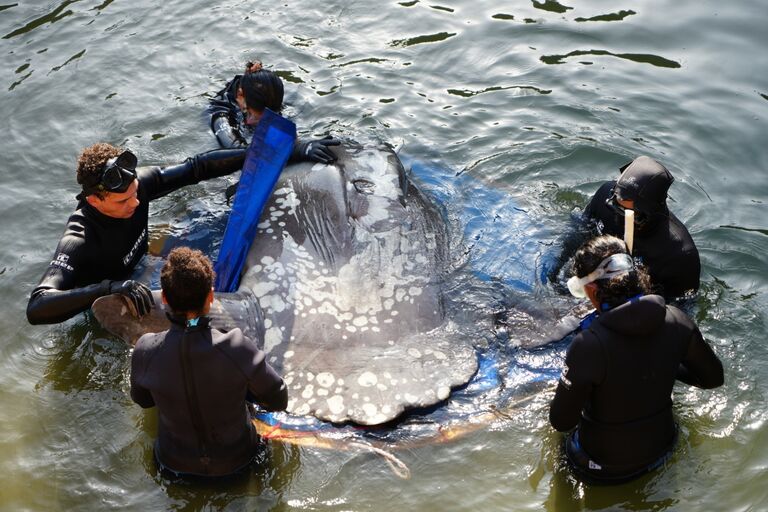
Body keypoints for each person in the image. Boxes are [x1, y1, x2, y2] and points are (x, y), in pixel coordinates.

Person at [549, 235, 723, 484]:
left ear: (592, 289)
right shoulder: (677, 320)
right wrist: (665, 362)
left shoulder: (587, 345)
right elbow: (712, 379)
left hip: (601, 468)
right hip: (664, 449)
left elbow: (561, 421)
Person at [26, 143, 247, 324]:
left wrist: (255, 154)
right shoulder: (79, 237)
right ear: (94, 201)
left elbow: (196, 167)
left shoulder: (138, 185)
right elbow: (37, 305)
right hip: (110, 304)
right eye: (123, 201)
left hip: (144, 268)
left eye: (135, 193)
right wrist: (107, 289)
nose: (135, 202)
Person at [130, 247, 288, 477]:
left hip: (172, 467)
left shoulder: (145, 350)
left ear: (164, 298)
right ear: (211, 297)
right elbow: (278, 399)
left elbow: (143, 401)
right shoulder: (237, 347)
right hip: (239, 462)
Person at [584, 156, 700, 299]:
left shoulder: (680, 256)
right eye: (616, 206)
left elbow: (678, 307)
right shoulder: (604, 195)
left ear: (652, 211)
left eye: (632, 215)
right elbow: (578, 235)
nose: (621, 218)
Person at [208, 60, 340, 164]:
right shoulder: (221, 117)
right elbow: (239, 153)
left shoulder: (270, 101)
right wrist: (299, 151)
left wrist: (303, 143)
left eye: (267, 118)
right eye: (250, 114)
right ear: (240, 95)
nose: (249, 121)